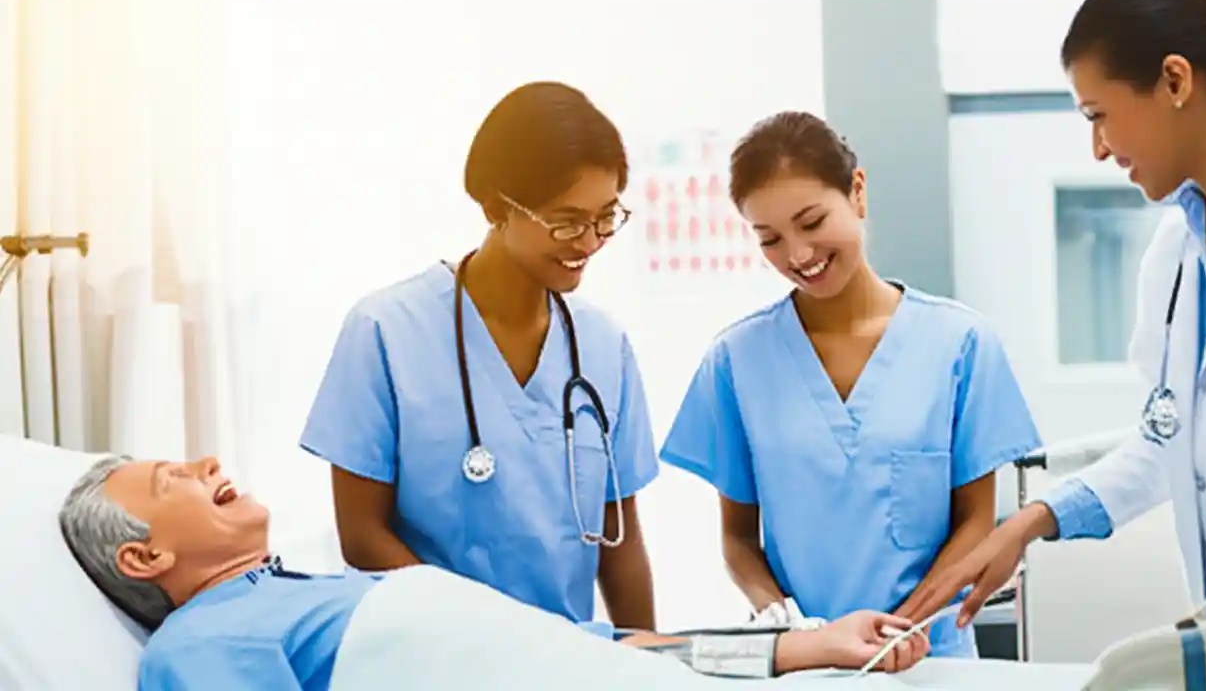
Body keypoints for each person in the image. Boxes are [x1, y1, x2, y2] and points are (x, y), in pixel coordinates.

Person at [897, 0, 1206, 674]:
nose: (1099, 148)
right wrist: (1029, 523)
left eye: (1098, 115)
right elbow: (1166, 440)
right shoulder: (1173, 257)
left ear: (1174, 81)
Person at [657, 111, 1043, 659]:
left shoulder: (960, 344)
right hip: (806, 666)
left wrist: (900, 630)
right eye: (770, 239)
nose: (798, 255)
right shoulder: (736, 361)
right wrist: (793, 628)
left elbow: (975, 521)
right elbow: (738, 540)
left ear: (857, 191)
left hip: (929, 661)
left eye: (812, 222)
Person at [58, 455, 930, 689]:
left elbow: (586, 655)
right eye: (173, 478)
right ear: (144, 557)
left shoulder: (321, 593)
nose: (207, 462)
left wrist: (808, 648)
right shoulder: (200, 643)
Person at [299, 82, 659, 630]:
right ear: (496, 206)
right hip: (435, 652)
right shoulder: (386, 331)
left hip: (569, 660)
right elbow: (362, 536)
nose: (588, 242)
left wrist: (652, 659)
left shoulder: (603, 345)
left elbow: (620, 542)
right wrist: (483, 638)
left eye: (605, 218)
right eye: (565, 220)